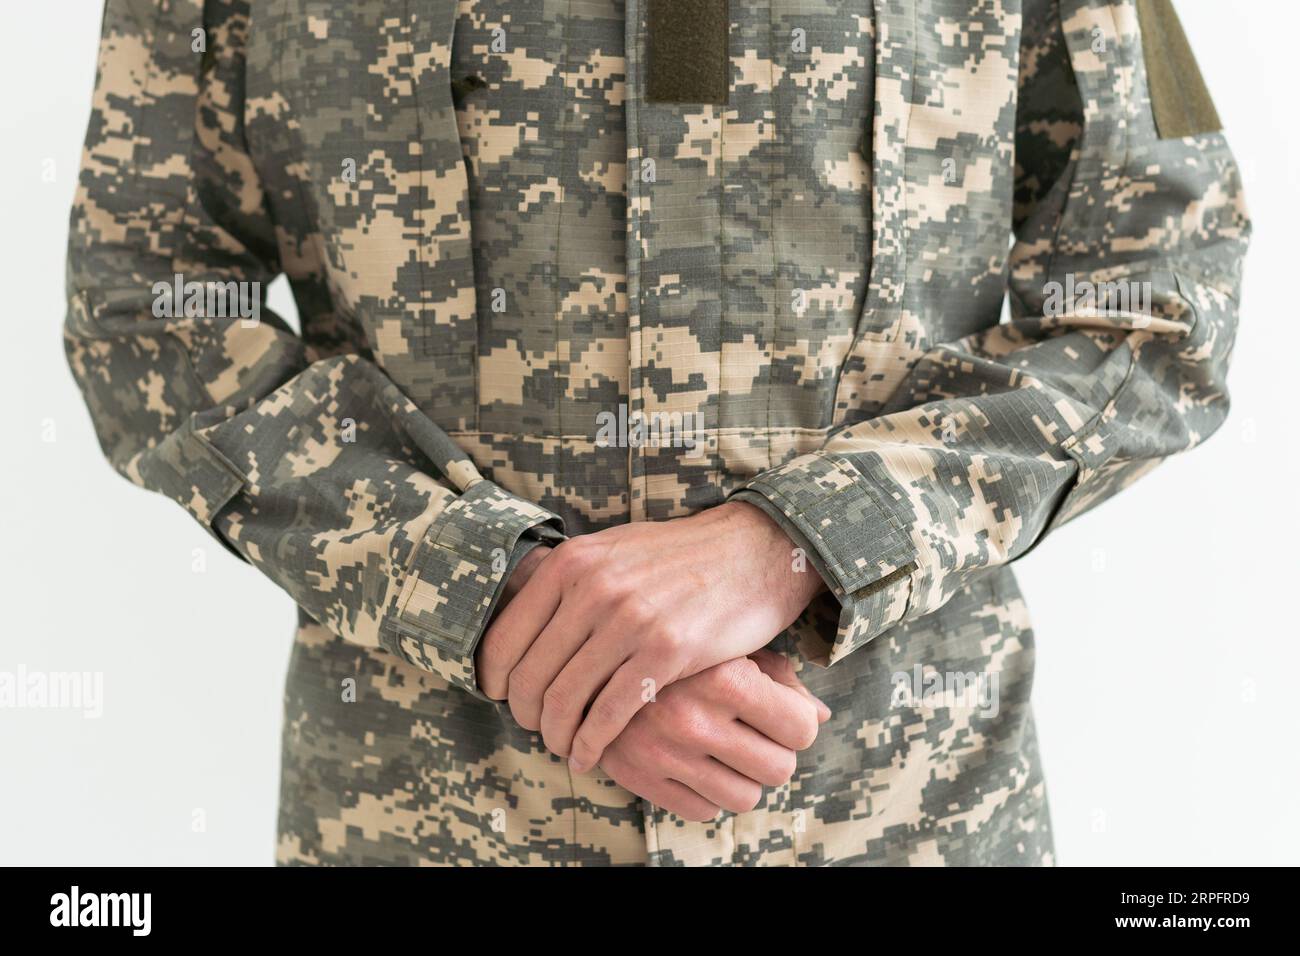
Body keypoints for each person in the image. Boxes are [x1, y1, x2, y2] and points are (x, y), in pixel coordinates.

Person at [65, 0, 1248, 865]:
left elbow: (1158, 289)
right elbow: (147, 309)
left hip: (904, 817)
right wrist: (495, 598)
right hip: (423, 823)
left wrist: (799, 541)